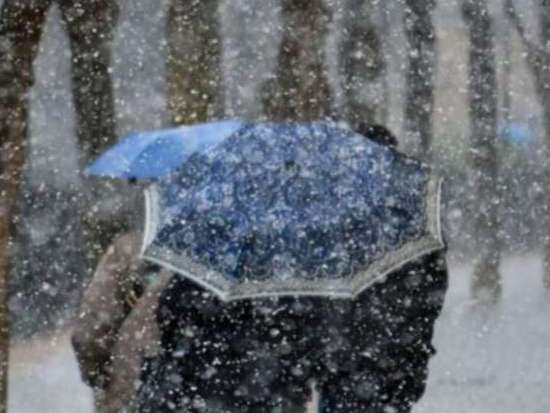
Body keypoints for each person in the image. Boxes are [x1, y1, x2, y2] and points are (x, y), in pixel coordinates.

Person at [132, 122, 447, 412]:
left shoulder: (218, 254)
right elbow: (426, 300)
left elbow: (170, 321)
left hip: (229, 387)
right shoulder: (403, 227)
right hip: (357, 371)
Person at [71, 231, 172, 413]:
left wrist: (99, 376)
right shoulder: (232, 262)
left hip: (135, 382)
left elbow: (87, 334)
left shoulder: (131, 248)